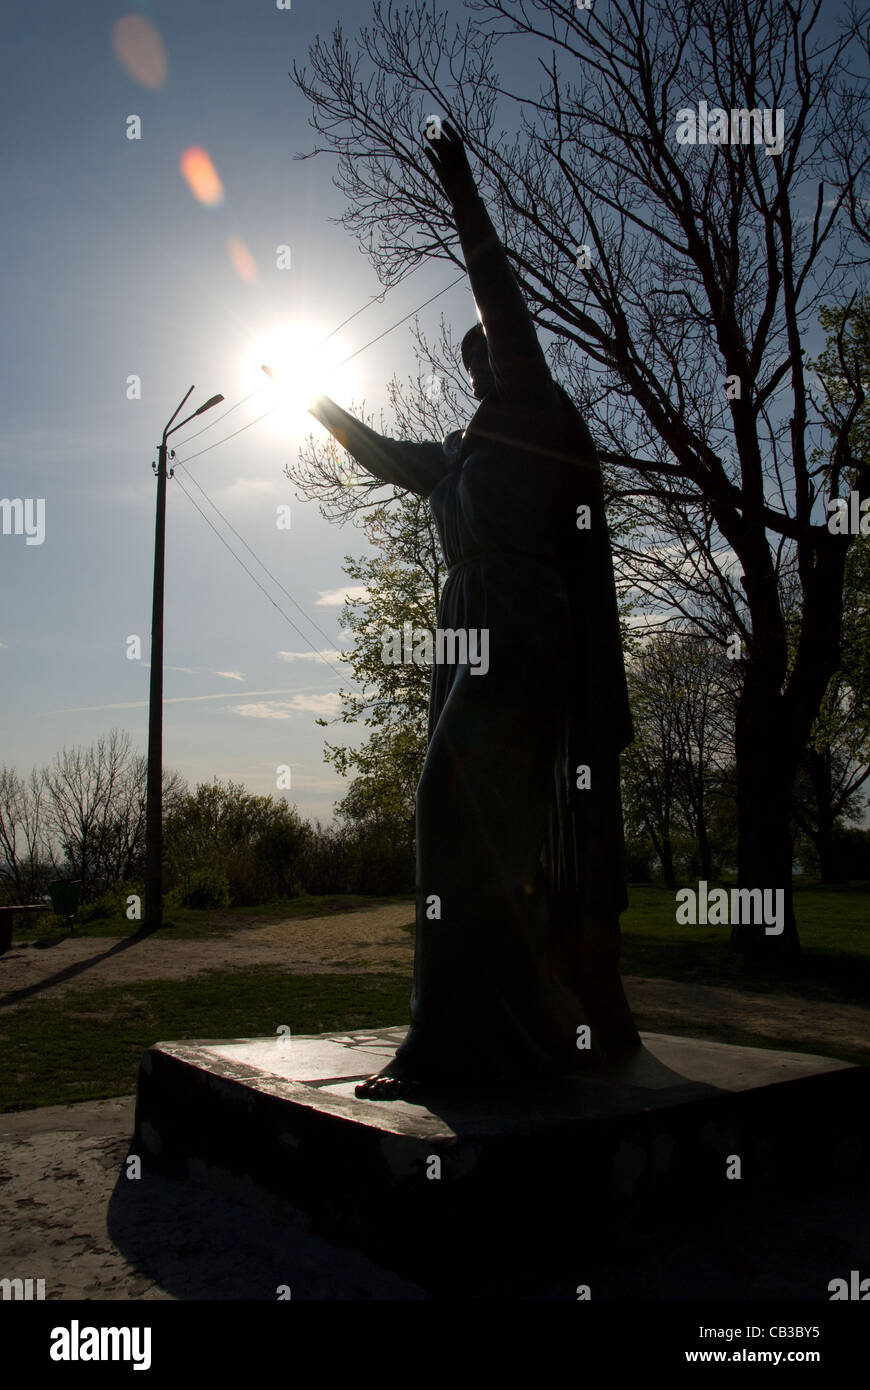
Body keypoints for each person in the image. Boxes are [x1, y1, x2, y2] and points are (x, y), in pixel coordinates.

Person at [309, 121, 639, 1100]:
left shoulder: (534, 414)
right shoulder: (460, 454)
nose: (484, 365)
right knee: (477, 829)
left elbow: (496, 281)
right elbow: (384, 457)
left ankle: (453, 1039)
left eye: (493, 350)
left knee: (447, 806)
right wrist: (317, 405)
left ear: (512, 356)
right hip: (463, 628)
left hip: (525, 623)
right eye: (473, 360)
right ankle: (515, 1015)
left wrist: (458, 183)